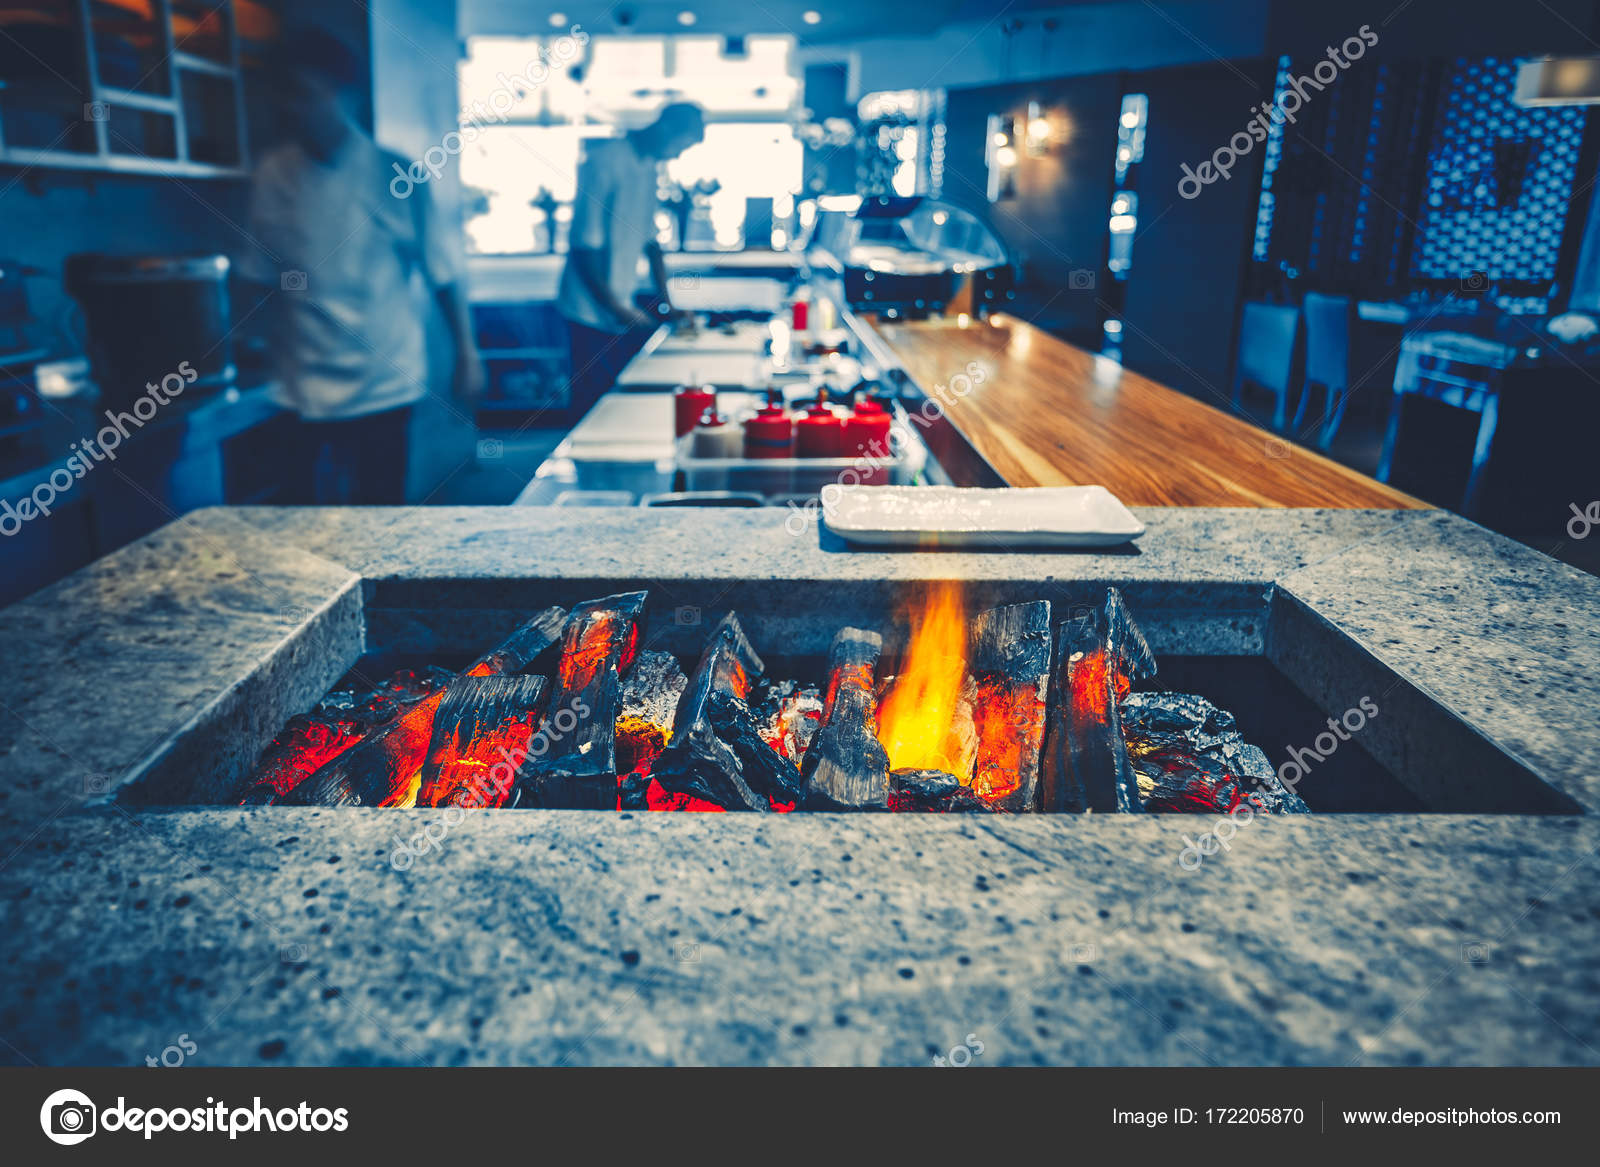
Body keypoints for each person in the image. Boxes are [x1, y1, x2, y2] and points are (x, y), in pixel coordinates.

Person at [242, 31, 483, 505]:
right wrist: (247, 343)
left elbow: (444, 273)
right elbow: (258, 275)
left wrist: (467, 354)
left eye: (308, 94)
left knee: (379, 512)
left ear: (344, 95)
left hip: (383, 377)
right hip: (301, 380)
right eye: (287, 95)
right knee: (303, 518)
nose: (295, 108)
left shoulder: (394, 173)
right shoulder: (273, 174)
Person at [557, 102, 705, 415]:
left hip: (620, 304)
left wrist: (667, 302)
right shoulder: (604, 161)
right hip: (589, 308)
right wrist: (618, 308)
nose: (678, 155)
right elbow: (585, 246)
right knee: (593, 405)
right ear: (665, 128)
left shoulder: (649, 168)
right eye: (681, 146)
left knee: (616, 400)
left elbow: (652, 243)